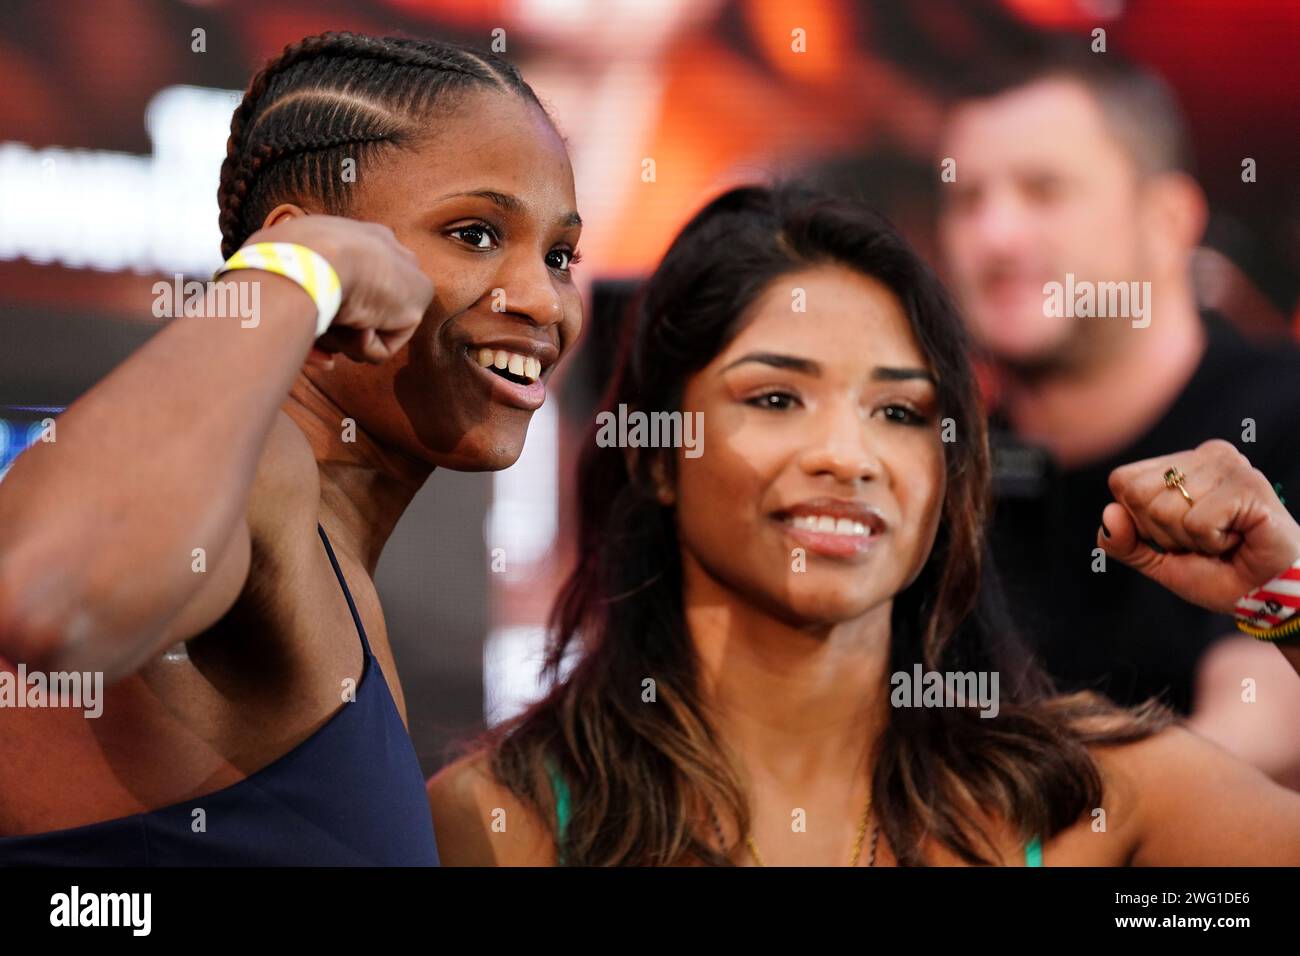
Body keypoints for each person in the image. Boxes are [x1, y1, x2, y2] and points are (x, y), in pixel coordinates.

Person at [427, 184, 1300, 866]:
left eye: (901, 412)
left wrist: (1288, 594)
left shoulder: (1097, 796)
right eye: (775, 398)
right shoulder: (501, 822)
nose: (850, 456)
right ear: (658, 452)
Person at [0, 31, 583, 864]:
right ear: (304, 240)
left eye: (560, 254)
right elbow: (46, 595)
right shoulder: (265, 470)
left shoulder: (338, 575)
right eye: (476, 233)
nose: (543, 299)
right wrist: (293, 274)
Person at [935, 43, 1300, 784]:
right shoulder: (937, 473)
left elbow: (1265, 734)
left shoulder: (1285, 416)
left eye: (1045, 190)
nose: (995, 236)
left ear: (1168, 219)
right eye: (967, 198)